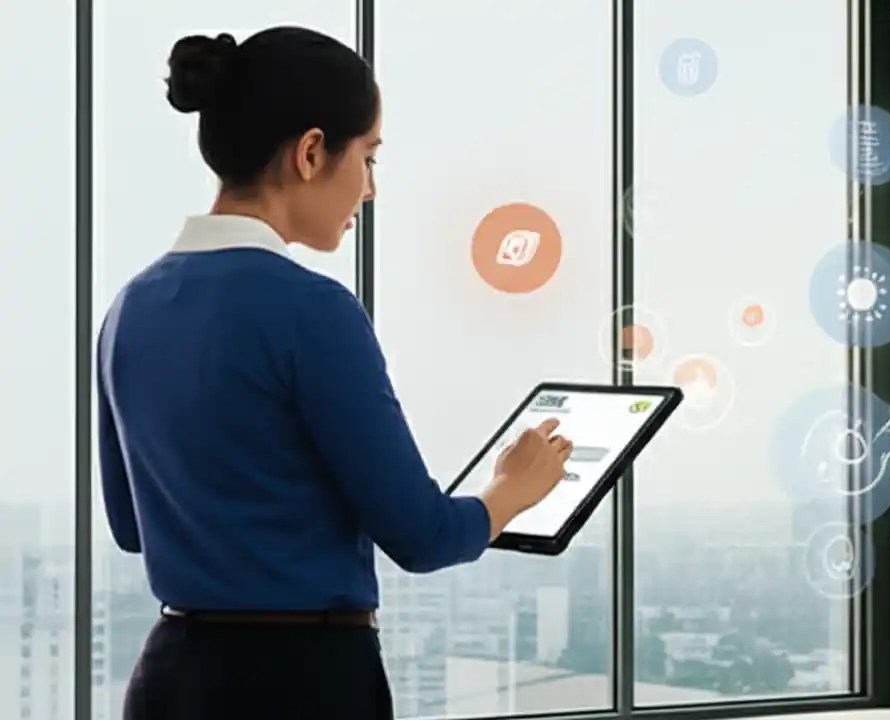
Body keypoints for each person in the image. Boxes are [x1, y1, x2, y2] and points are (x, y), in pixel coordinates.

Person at [96, 26, 572, 720]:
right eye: (369, 157)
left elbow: (130, 526)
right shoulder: (314, 310)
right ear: (312, 152)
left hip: (169, 680)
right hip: (301, 683)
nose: (370, 189)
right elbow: (424, 536)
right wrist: (512, 491)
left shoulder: (128, 308)